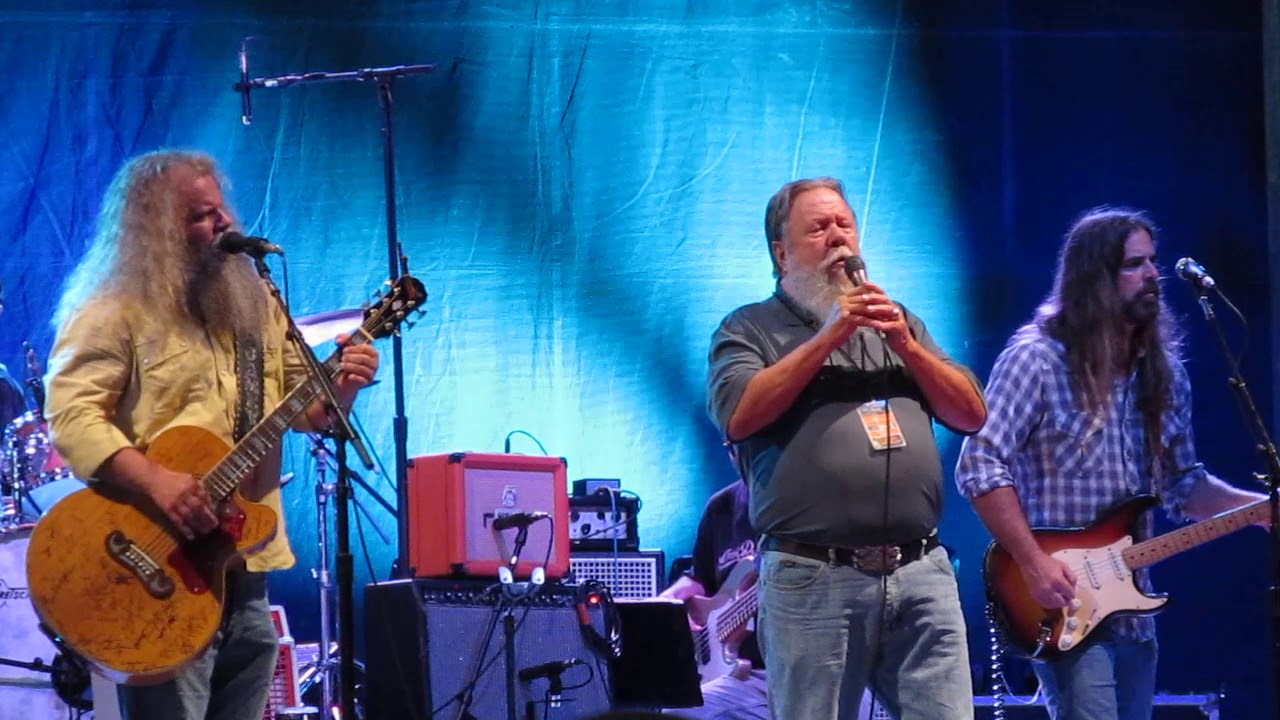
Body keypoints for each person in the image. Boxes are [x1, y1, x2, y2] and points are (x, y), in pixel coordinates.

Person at [44, 149, 380, 720]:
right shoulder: (114, 309)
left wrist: (345, 386)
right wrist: (156, 479)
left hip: (245, 564)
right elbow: (72, 416)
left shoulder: (255, 302)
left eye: (221, 210)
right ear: (158, 232)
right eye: (200, 215)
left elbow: (309, 408)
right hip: (158, 562)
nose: (222, 223)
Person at [954, 207, 1265, 720]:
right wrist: (1033, 563)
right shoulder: (1037, 359)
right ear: (1094, 277)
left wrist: (1258, 507)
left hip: (1132, 612)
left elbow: (1183, 485)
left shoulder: (1162, 372)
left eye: (1153, 262)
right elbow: (980, 465)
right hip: (1065, 605)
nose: (1151, 276)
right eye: (1133, 264)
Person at [706, 176, 987, 719]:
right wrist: (830, 335)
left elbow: (971, 412)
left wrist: (905, 344)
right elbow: (740, 415)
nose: (838, 238)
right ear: (781, 252)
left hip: (921, 571)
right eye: (819, 228)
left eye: (845, 225)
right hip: (815, 579)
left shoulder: (897, 320)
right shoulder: (748, 328)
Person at [658, 478, 770, 719]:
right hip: (743, 673)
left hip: (797, 670)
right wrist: (670, 604)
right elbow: (702, 580)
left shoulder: (805, 500)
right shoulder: (722, 506)